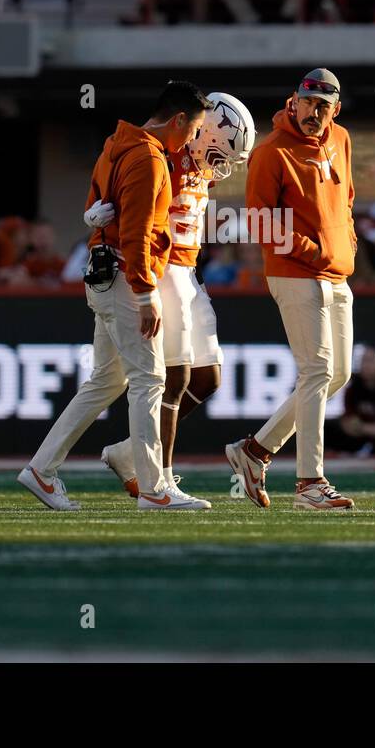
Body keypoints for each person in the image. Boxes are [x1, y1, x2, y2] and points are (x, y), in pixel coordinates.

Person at [18, 81, 212, 512]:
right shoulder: (150, 158)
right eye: (194, 129)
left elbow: (99, 205)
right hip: (125, 277)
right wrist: (145, 295)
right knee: (150, 380)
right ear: (179, 119)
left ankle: (41, 469)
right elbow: (138, 234)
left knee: (106, 381)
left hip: (102, 274)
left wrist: (94, 219)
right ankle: (154, 489)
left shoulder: (116, 143)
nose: (193, 139)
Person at [93, 92, 256, 500]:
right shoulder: (165, 156)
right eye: (219, 151)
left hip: (189, 273)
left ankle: (128, 453)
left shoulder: (201, 165)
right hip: (164, 271)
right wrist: (96, 211)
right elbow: (129, 191)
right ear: (202, 132)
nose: (221, 164)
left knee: (208, 377)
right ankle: (161, 479)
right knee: (174, 377)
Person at [227, 68, 358, 511]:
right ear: (294, 100)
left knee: (337, 374)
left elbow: (347, 199)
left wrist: (346, 244)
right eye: (307, 103)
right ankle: (309, 483)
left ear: (335, 110)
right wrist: (314, 251)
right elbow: (259, 221)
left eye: (323, 106)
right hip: (295, 272)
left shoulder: (341, 138)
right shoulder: (271, 151)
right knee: (316, 372)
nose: (313, 113)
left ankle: (255, 450)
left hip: (336, 273)